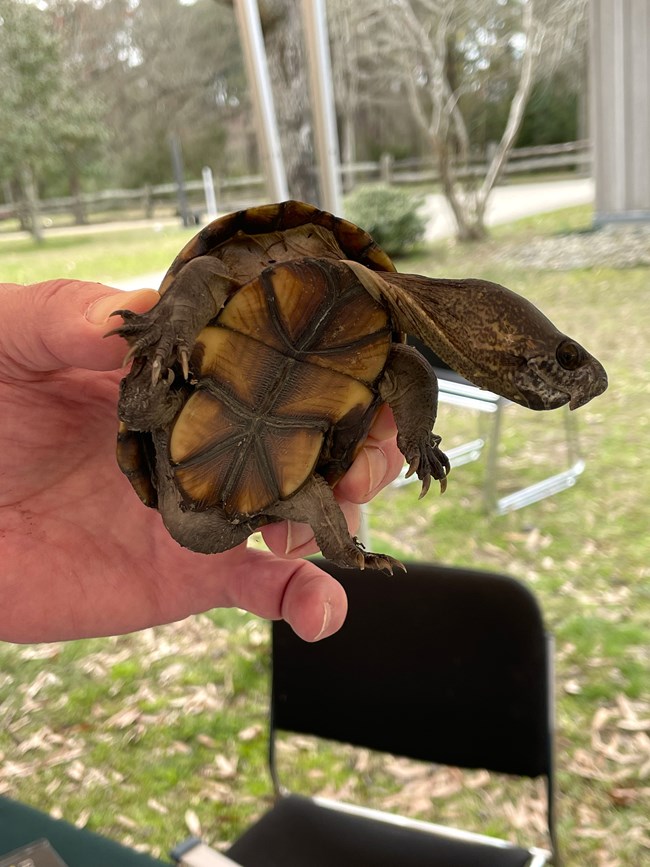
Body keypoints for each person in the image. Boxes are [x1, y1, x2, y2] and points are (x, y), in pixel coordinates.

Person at [0, 279, 404, 645]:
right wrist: (348, 550)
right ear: (250, 519)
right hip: (348, 331)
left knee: (207, 278)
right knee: (402, 368)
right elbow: (143, 406)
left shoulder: (288, 494)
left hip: (259, 286)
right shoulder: (287, 490)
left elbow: (318, 504)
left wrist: (345, 551)